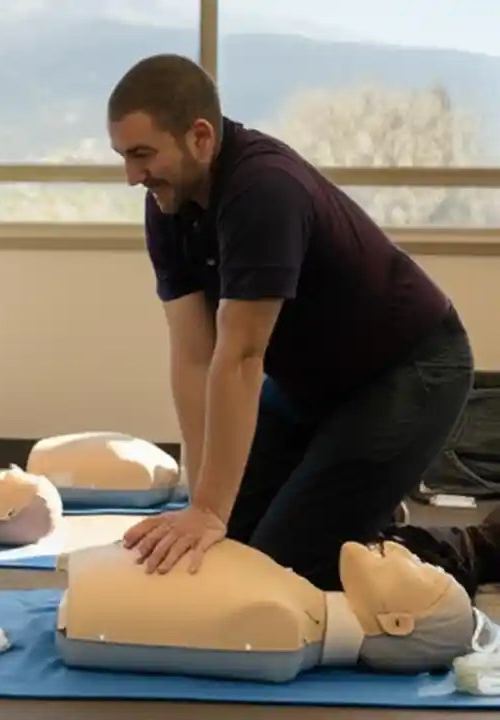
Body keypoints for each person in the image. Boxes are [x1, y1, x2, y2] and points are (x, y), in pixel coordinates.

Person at [104, 54, 474, 591]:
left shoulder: (263, 190)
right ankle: (361, 513)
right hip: (310, 384)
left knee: (284, 571)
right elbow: (194, 355)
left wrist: (210, 508)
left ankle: (466, 548)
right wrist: (200, 506)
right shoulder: (167, 202)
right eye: (123, 157)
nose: (132, 176)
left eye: (142, 154)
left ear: (200, 137)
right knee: (227, 549)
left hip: (408, 368)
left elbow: (241, 357)